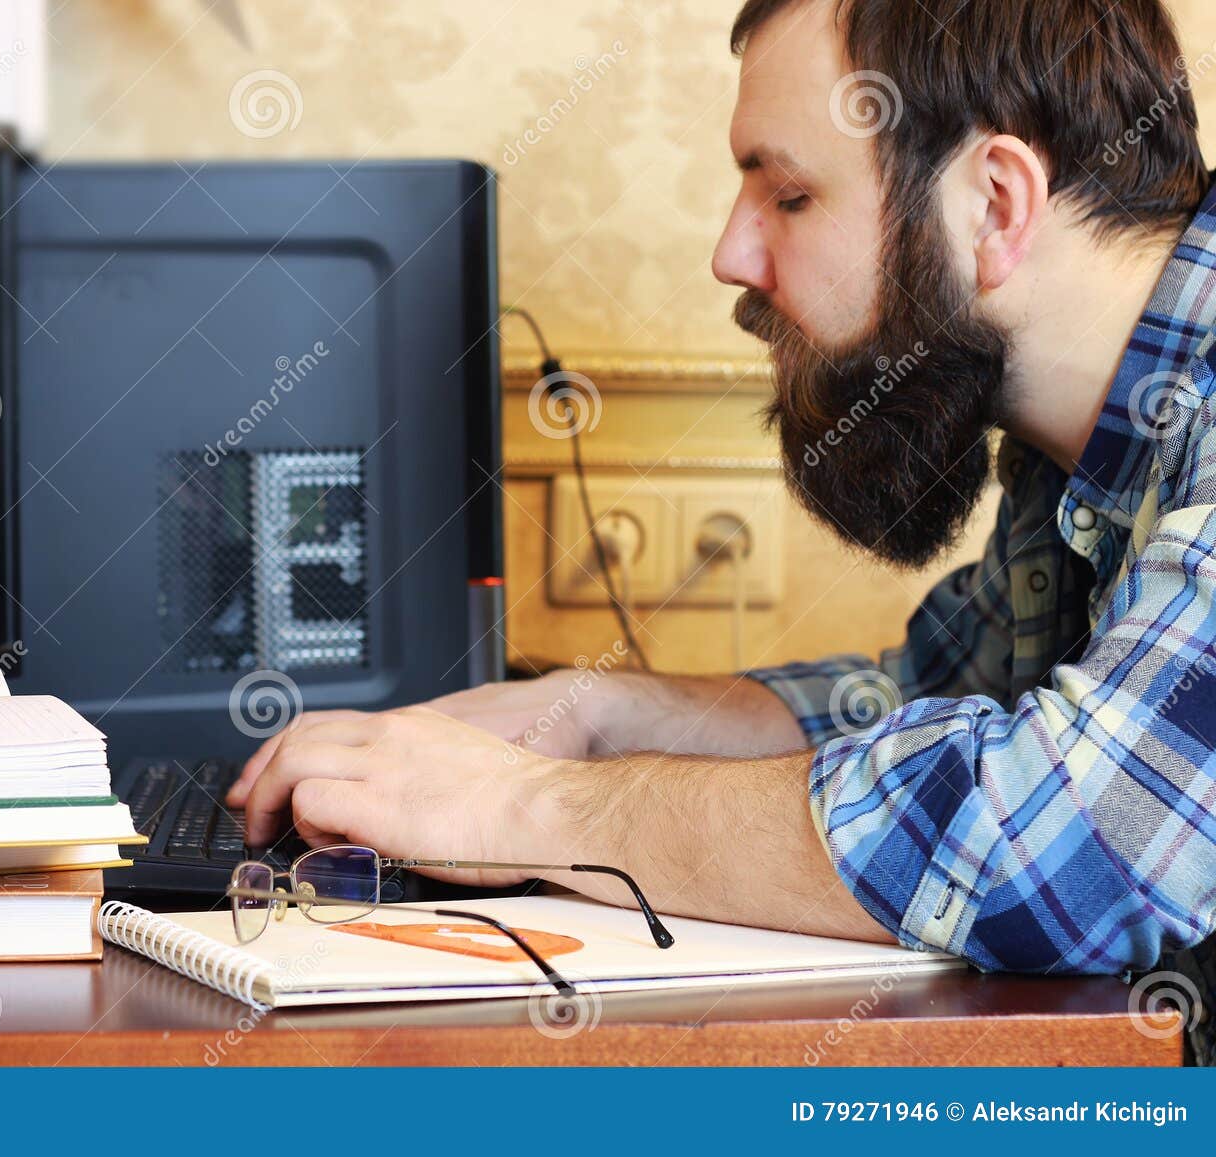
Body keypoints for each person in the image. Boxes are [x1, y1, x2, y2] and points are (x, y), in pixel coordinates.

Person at [227, 0, 1215, 1057]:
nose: (731, 254)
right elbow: (919, 700)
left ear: (995, 204)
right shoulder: (1076, 460)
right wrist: (601, 713)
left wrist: (524, 806)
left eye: (789, 194)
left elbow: (1071, 843)